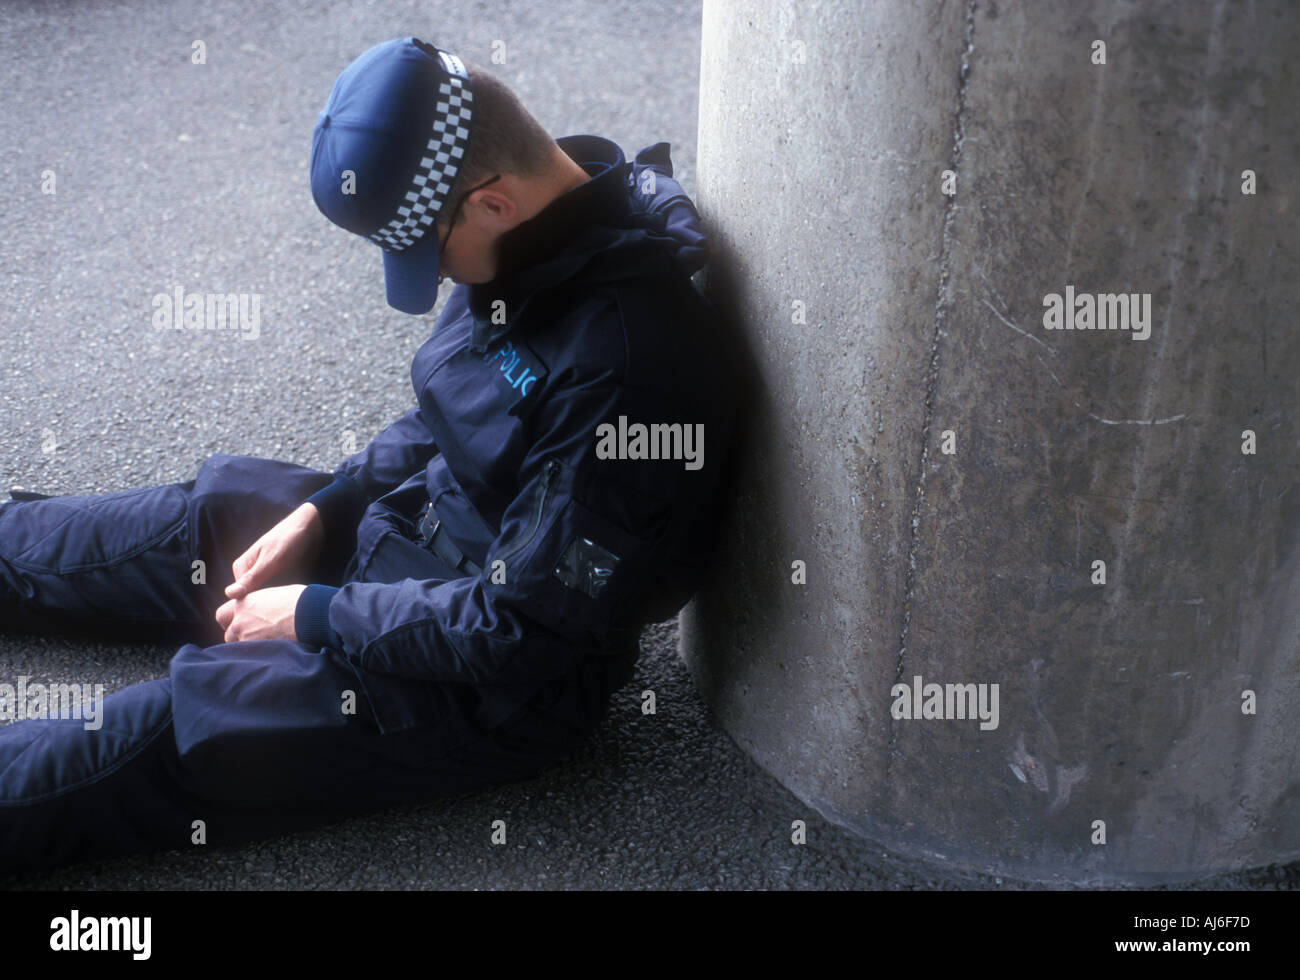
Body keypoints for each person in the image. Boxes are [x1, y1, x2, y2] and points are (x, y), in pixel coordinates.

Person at [0, 37, 738, 874]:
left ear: (490, 203)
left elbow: (522, 633)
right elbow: (445, 415)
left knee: (179, 731)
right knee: (204, 514)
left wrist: (311, 613)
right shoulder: (546, 234)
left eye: (425, 252)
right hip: (403, 532)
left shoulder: (627, 376)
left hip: (480, 679)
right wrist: (332, 505)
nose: (434, 280)